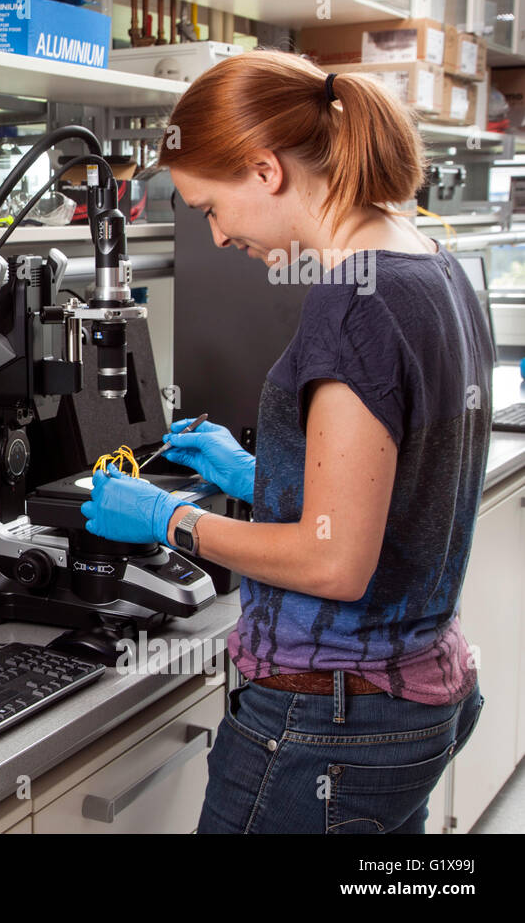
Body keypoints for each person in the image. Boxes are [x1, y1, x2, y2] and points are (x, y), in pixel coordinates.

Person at [80, 50, 487, 833]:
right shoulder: (433, 266)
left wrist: (173, 521)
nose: (220, 236)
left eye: (208, 208)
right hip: (414, 698)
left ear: (265, 170)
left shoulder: (351, 304)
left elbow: (336, 562)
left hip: (328, 727)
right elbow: (398, 489)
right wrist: (260, 472)